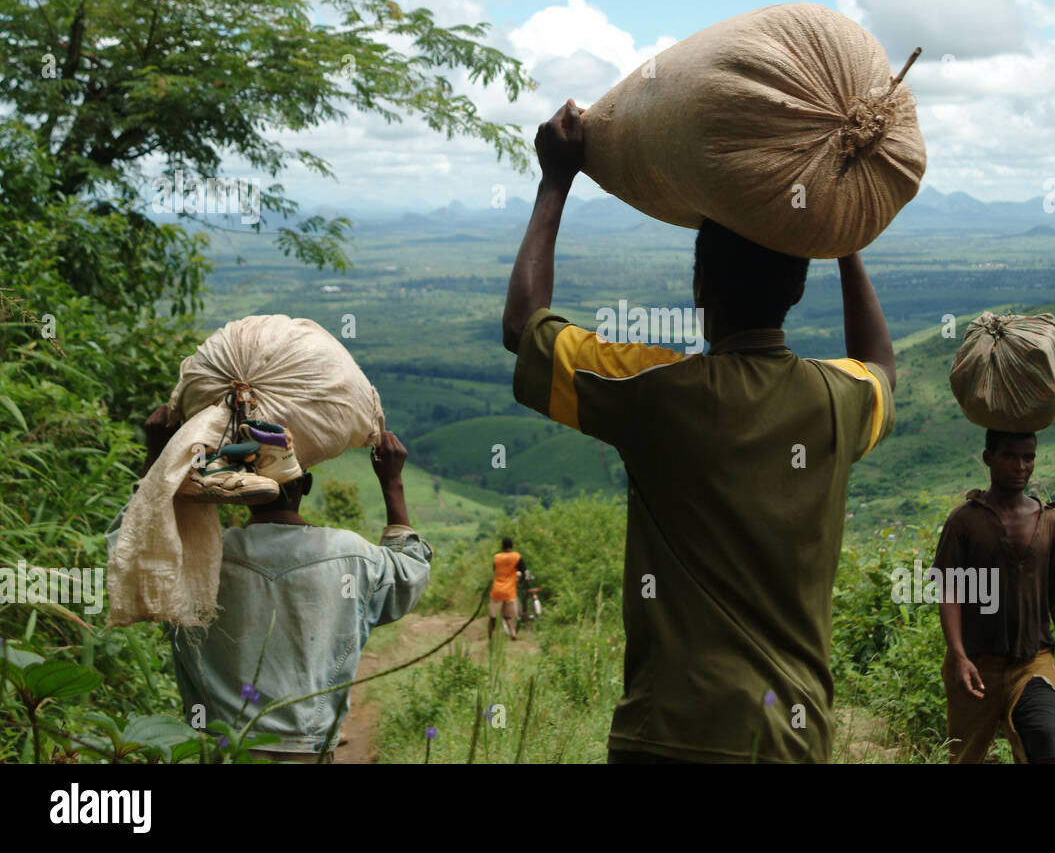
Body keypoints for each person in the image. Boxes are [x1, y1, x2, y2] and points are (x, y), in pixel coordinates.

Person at [501, 100, 897, 763]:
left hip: (667, 735)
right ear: (800, 285)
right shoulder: (836, 400)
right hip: (790, 741)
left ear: (699, 283)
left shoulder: (656, 391)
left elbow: (523, 326)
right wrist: (842, 234)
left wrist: (555, 180)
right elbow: (882, 364)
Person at [107, 407, 431, 763]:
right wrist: (391, 482)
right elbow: (410, 571)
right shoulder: (353, 556)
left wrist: (159, 458)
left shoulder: (199, 559)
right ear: (305, 486)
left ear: (242, 490)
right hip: (307, 751)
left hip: (219, 749)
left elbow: (129, 552)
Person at [932, 429, 1055, 763]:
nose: (1021, 466)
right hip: (976, 664)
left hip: (1033, 662)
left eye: (1028, 457)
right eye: (1010, 456)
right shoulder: (964, 522)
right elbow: (950, 593)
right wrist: (959, 656)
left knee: (1045, 739)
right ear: (989, 458)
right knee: (965, 758)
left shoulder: (1050, 523)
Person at [489, 536, 526, 641]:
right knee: (508, 616)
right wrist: (521, 582)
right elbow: (523, 571)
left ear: (502, 546)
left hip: (497, 590)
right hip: (510, 591)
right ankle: (513, 632)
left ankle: (491, 636)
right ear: (512, 545)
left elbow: (495, 570)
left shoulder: (497, 557)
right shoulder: (516, 557)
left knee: (493, 616)